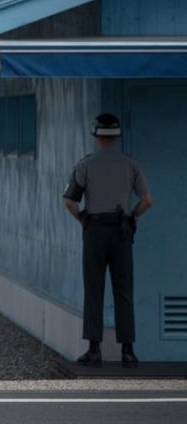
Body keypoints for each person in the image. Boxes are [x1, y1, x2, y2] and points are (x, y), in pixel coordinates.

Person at [63, 113, 152, 368]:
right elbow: (147, 200)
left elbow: (69, 201)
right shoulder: (131, 165)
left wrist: (83, 219)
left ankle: (94, 350)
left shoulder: (86, 165)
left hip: (95, 232)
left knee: (94, 290)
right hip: (122, 232)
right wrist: (131, 218)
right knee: (124, 291)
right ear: (117, 135)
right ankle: (128, 351)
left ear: (96, 135)